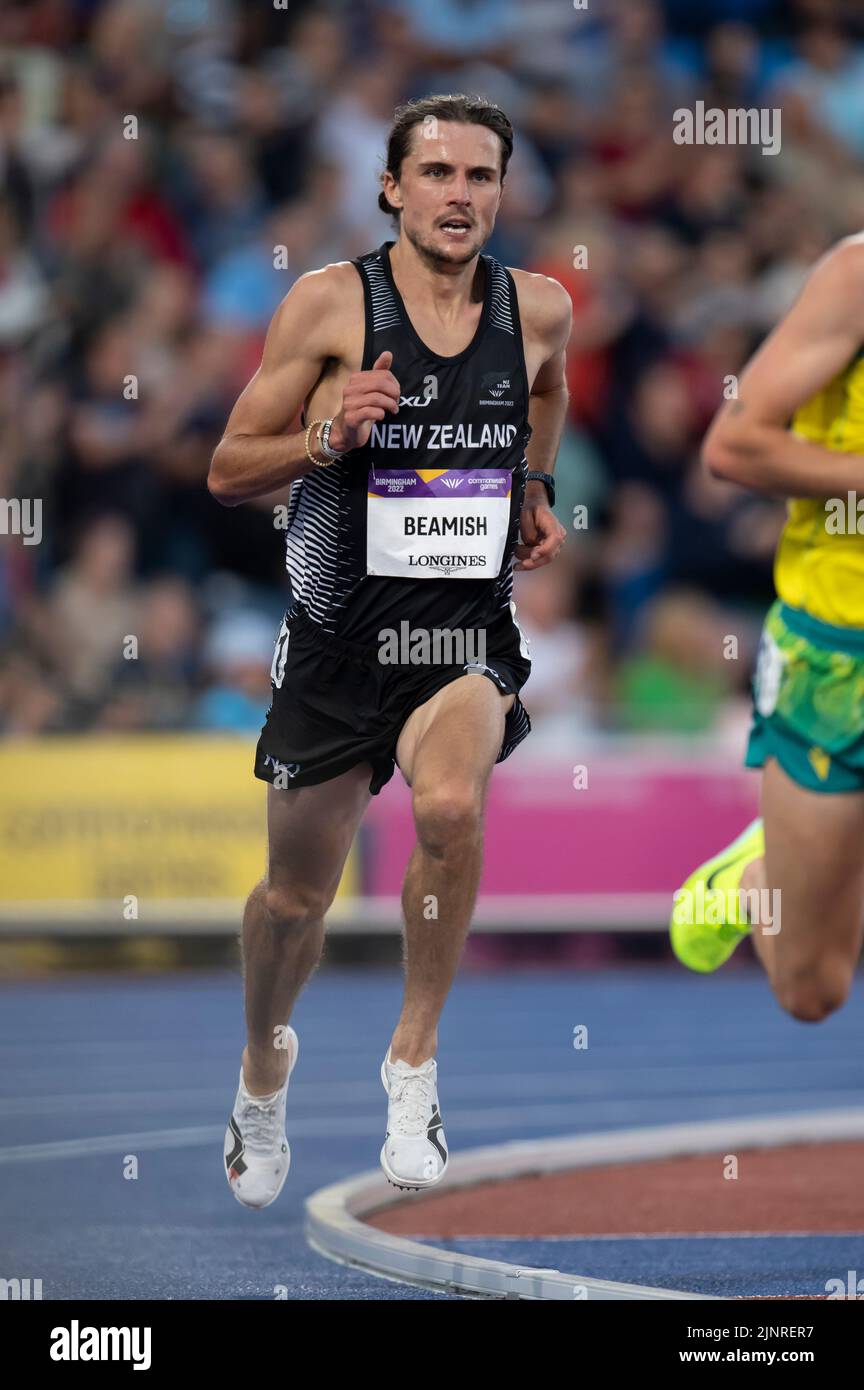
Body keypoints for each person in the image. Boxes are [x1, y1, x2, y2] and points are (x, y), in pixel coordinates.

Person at [208, 94, 571, 1207]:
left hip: (458, 636)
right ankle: (265, 1063)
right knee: (289, 904)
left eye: (480, 177)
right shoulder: (328, 306)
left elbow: (545, 392)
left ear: (500, 193)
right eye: (438, 174)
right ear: (391, 188)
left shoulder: (541, 307)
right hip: (335, 647)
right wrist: (329, 432)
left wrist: (534, 488)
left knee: (452, 808)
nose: (461, 195)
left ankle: (411, 1064)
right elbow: (228, 468)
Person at [670, 234, 864, 1027]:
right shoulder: (855, 277)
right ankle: (750, 881)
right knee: (811, 989)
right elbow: (734, 445)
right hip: (835, 659)